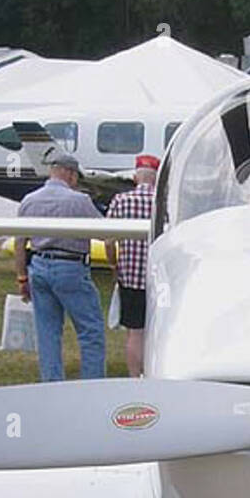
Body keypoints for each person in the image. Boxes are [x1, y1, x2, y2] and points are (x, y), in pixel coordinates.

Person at [15, 155, 105, 382]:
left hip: (38, 266)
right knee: (90, 330)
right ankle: (92, 383)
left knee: (47, 332)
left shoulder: (29, 200)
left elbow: (19, 242)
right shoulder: (80, 201)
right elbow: (105, 233)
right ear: (70, 173)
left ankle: (52, 383)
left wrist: (22, 278)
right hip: (71, 267)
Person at [104, 154, 159, 378]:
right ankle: (155, 372)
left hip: (130, 277)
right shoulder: (163, 201)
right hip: (159, 277)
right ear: (155, 179)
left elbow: (108, 240)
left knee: (134, 332)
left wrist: (114, 264)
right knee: (156, 330)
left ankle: (135, 376)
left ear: (136, 176)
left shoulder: (121, 200)